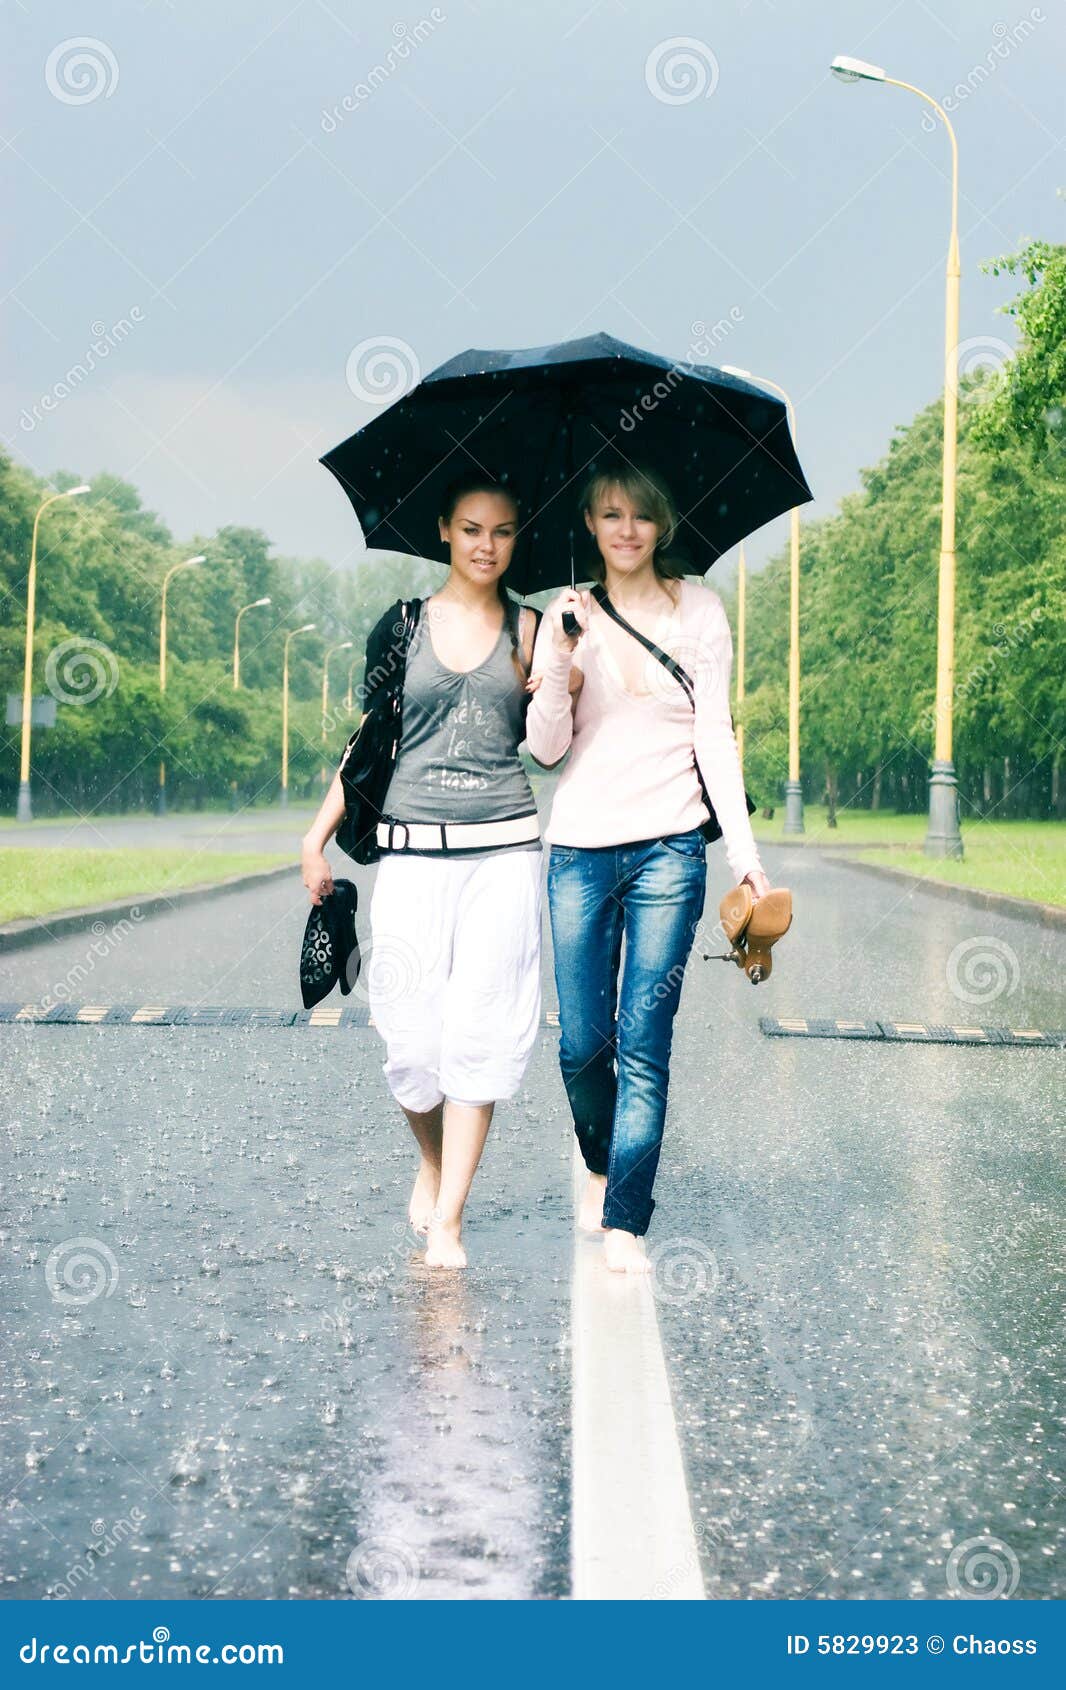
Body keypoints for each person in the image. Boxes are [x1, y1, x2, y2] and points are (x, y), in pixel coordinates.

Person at [524, 464, 771, 1274]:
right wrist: (558, 655)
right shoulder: (568, 615)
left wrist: (746, 859)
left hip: (669, 850)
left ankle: (627, 1215)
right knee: (580, 1046)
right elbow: (547, 748)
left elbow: (714, 740)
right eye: (609, 514)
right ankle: (598, 1159)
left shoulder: (700, 610)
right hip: (580, 852)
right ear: (589, 525)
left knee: (643, 1042)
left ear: (662, 524)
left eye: (640, 515)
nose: (625, 529)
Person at [302, 474, 543, 1269]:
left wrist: (560, 681)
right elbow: (369, 742)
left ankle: (450, 1218)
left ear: (516, 539)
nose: (486, 545)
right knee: (408, 1042)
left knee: (481, 1030)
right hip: (410, 853)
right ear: (444, 529)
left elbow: (553, 746)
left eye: (503, 531)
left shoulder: (536, 627)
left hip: (504, 852)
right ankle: (434, 1161)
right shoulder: (403, 626)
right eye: (472, 528)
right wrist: (317, 838)